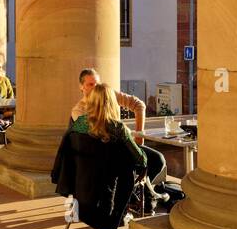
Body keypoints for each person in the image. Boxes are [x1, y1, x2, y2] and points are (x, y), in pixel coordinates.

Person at [71, 68, 166, 197]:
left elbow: (139, 105)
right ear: (81, 87)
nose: (95, 88)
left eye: (97, 84)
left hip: (122, 147)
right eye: (90, 85)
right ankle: (133, 194)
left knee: (157, 160)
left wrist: (139, 135)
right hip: (102, 155)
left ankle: (136, 192)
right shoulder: (79, 111)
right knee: (131, 165)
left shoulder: (109, 95)